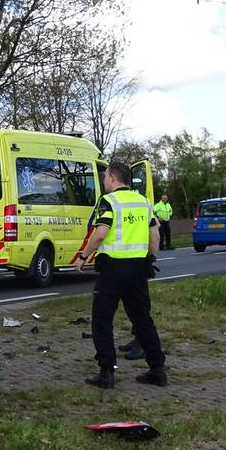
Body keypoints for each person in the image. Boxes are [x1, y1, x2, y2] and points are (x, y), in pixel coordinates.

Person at [72, 161, 167, 388]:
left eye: (105, 177)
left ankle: (107, 372)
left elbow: (100, 233)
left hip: (113, 271)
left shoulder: (109, 202)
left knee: (102, 321)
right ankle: (157, 370)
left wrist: (83, 257)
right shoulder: (143, 202)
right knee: (143, 320)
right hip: (137, 270)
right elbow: (155, 235)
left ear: (113, 178)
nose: (104, 181)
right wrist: (150, 259)